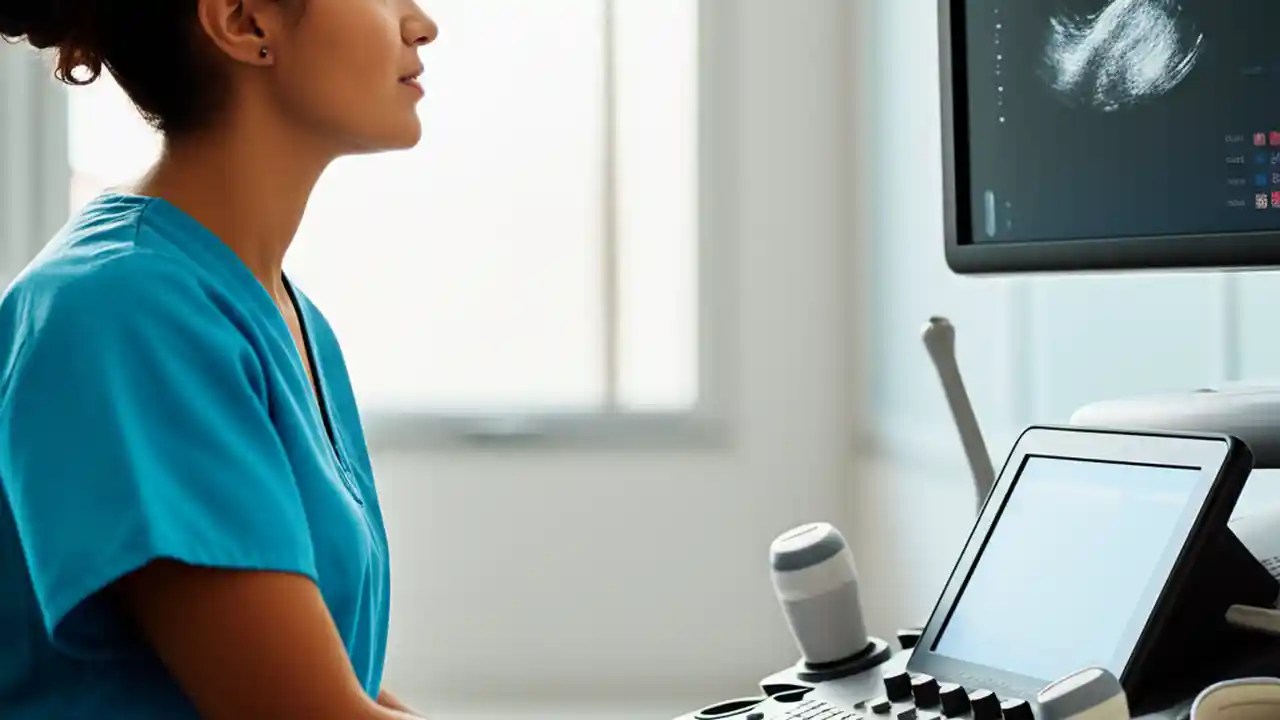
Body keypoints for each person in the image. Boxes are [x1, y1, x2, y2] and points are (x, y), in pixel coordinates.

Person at [0, 1, 437, 718]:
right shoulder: (122, 312)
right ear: (244, 21)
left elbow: (333, 685)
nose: (420, 23)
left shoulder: (281, 315)